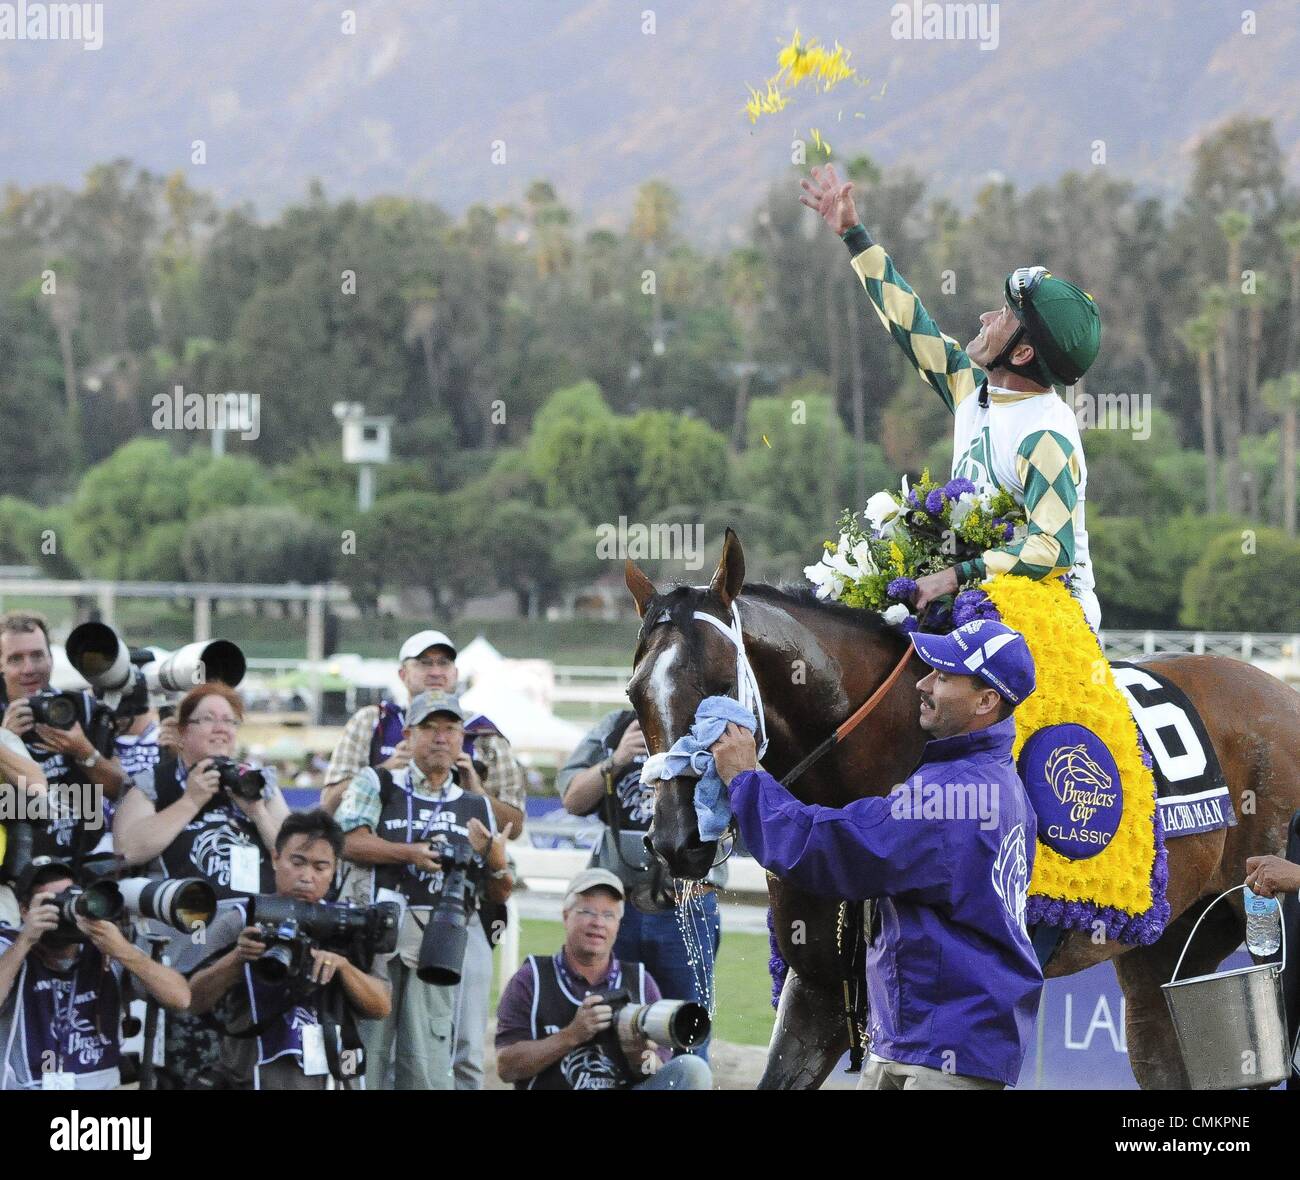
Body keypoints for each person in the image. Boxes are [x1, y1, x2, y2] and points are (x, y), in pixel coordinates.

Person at [711, 619, 1044, 1090]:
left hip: (944, 1046)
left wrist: (746, 779)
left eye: (944, 677)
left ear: (987, 701)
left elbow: (831, 849)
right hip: (917, 1036)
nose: (923, 684)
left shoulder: (955, 794)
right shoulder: (989, 777)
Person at [800, 164, 1104, 629]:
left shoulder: (1044, 434)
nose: (985, 317)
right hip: (977, 595)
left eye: (1003, 316)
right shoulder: (975, 390)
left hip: (1050, 609)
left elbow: (1054, 547)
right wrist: (854, 235)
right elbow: (912, 327)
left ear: (1022, 352)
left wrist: (955, 576)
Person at [321, 628, 525, 1089]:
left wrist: (493, 856)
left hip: (446, 933)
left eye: (449, 729)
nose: (440, 738)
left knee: (434, 1057)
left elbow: (502, 875)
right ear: (409, 734)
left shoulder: (477, 791)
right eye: (429, 729)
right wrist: (410, 852)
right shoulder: (376, 771)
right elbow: (342, 835)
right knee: (371, 1056)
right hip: (379, 931)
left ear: (461, 736)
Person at [111, 680, 288, 1088]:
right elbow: (129, 848)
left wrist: (257, 810)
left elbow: (292, 860)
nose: (221, 728)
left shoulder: (257, 783)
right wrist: (190, 801)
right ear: (183, 731)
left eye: (229, 721)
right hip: (183, 960)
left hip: (252, 956)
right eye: (207, 719)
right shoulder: (156, 784)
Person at [186, 810, 391, 1090]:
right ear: (275, 858)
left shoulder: (353, 924)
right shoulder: (241, 918)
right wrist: (238, 959)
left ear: (335, 870)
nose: (307, 877)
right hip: (253, 1077)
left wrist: (343, 968)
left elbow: (381, 1006)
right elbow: (192, 1000)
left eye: (320, 867)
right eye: (297, 862)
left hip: (333, 1077)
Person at [558, 709, 720, 1057]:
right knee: (613, 1021)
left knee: (688, 1028)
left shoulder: (712, 722)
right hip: (619, 910)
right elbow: (572, 800)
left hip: (687, 905)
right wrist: (615, 761)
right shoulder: (617, 726)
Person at [495, 868, 713, 1091]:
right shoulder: (532, 978)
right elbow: (506, 1067)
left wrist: (638, 1053)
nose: (598, 922)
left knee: (693, 1069)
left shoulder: (640, 982)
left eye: (608, 915)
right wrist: (571, 1035)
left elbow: (657, 1072)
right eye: (587, 912)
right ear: (566, 916)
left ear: (618, 925)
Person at [0, 858, 190, 1089]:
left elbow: (180, 998)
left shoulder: (106, 946)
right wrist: (25, 940)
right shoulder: (10, 945)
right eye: (52, 902)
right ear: (25, 910)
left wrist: (122, 950)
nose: (63, 909)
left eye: (70, 897)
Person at [0, 612, 127, 865]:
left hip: (84, 861)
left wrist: (85, 752)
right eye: (16, 659)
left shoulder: (83, 708)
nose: (29, 668)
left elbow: (122, 791)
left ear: (51, 658)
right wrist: (7, 742)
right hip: (18, 869)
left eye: (37, 655)